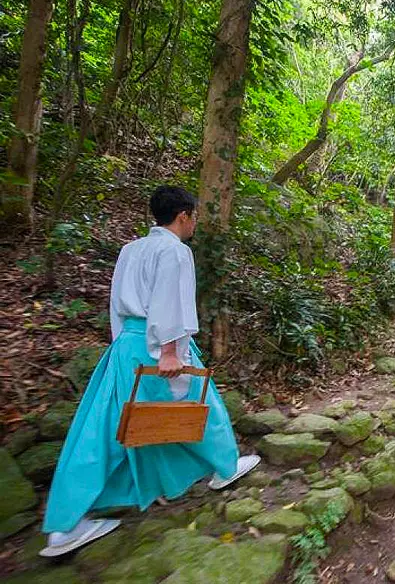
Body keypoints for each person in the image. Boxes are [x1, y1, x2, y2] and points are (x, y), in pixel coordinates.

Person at [39, 185, 259, 557]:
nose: (195, 223)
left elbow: (117, 305)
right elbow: (168, 303)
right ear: (184, 215)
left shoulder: (131, 249)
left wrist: (122, 344)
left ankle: (64, 523)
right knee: (201, 406)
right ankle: (224, 468)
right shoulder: (175, 251)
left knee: (104, 429)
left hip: (126, 345)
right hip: (160, 346)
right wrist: (170, 351)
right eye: (195, 216)